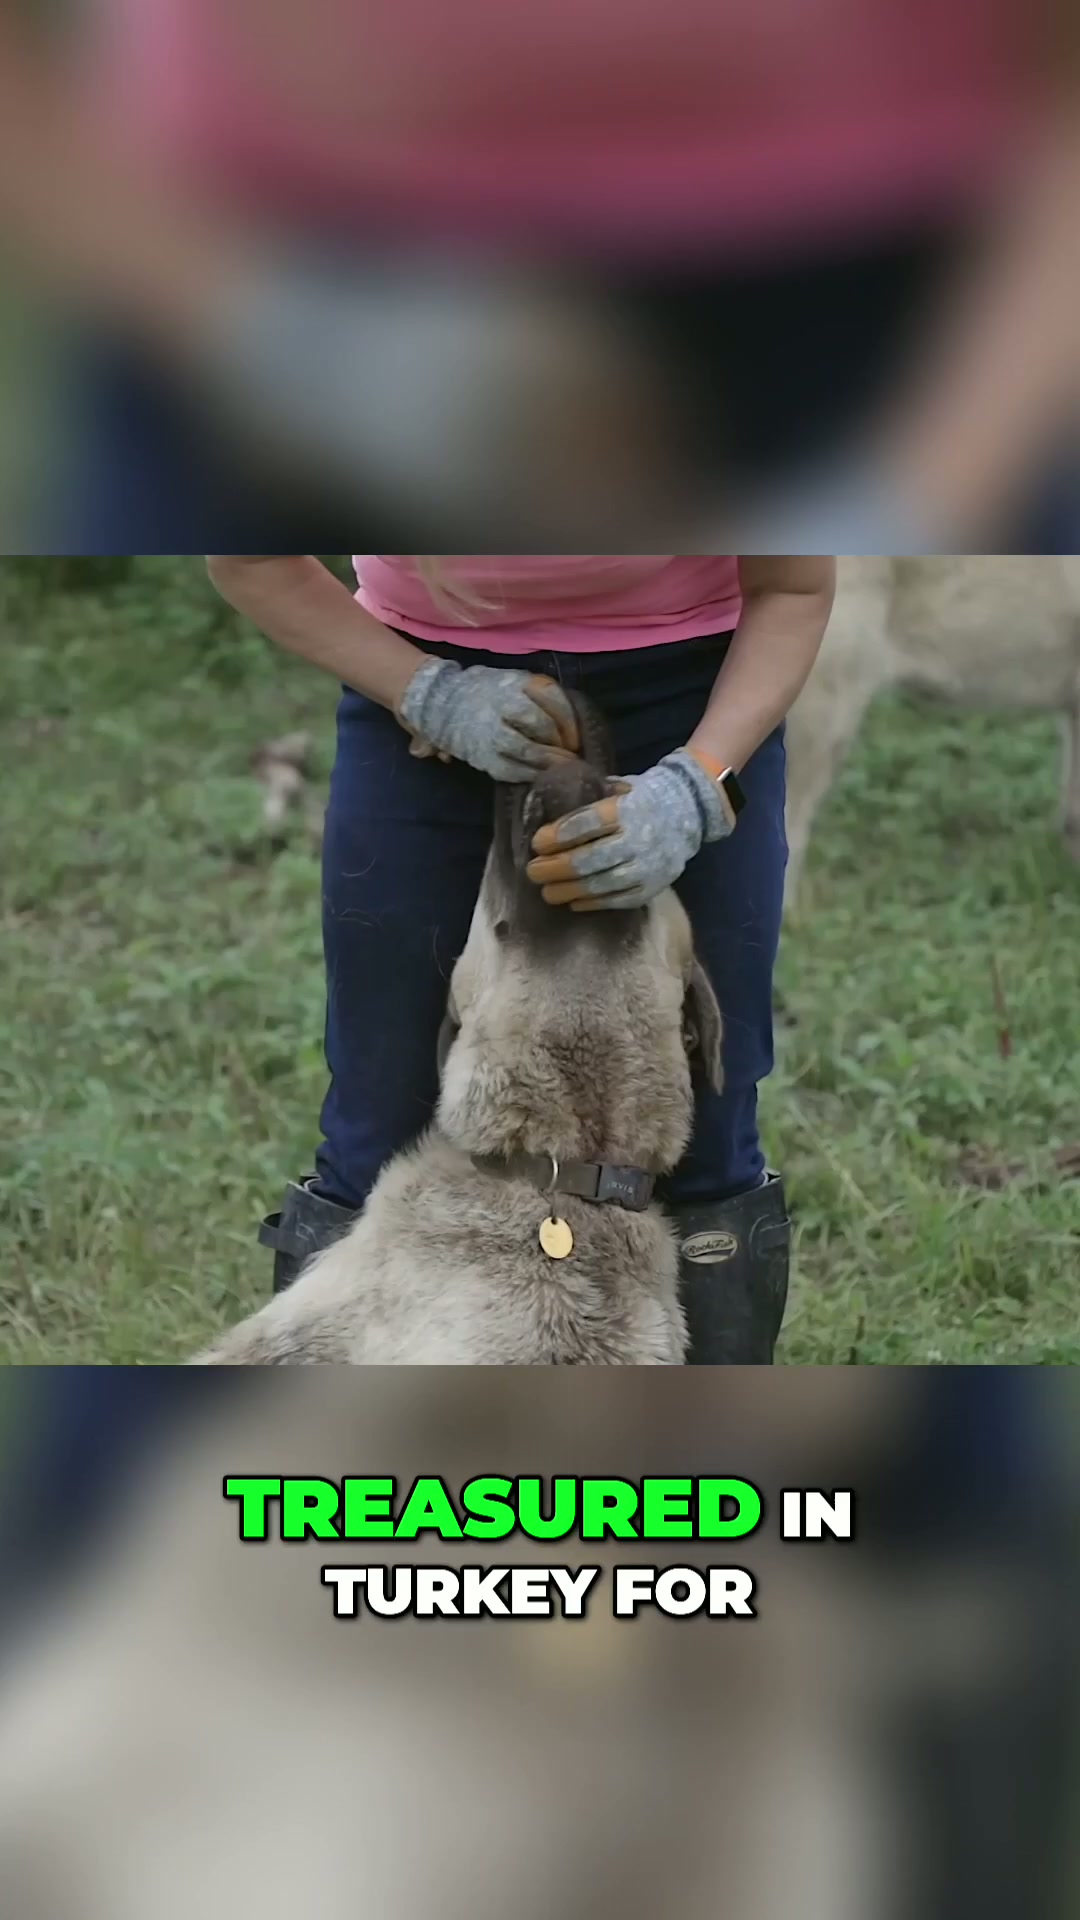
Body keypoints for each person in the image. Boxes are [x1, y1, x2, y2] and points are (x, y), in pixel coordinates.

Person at [207, 554, 834, 1363]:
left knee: (708, 1138)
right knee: (382, 1119)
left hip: (698, 687)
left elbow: (795, 586)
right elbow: (251, 559)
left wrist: (697, 785)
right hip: (418, 669)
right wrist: (422, 691)